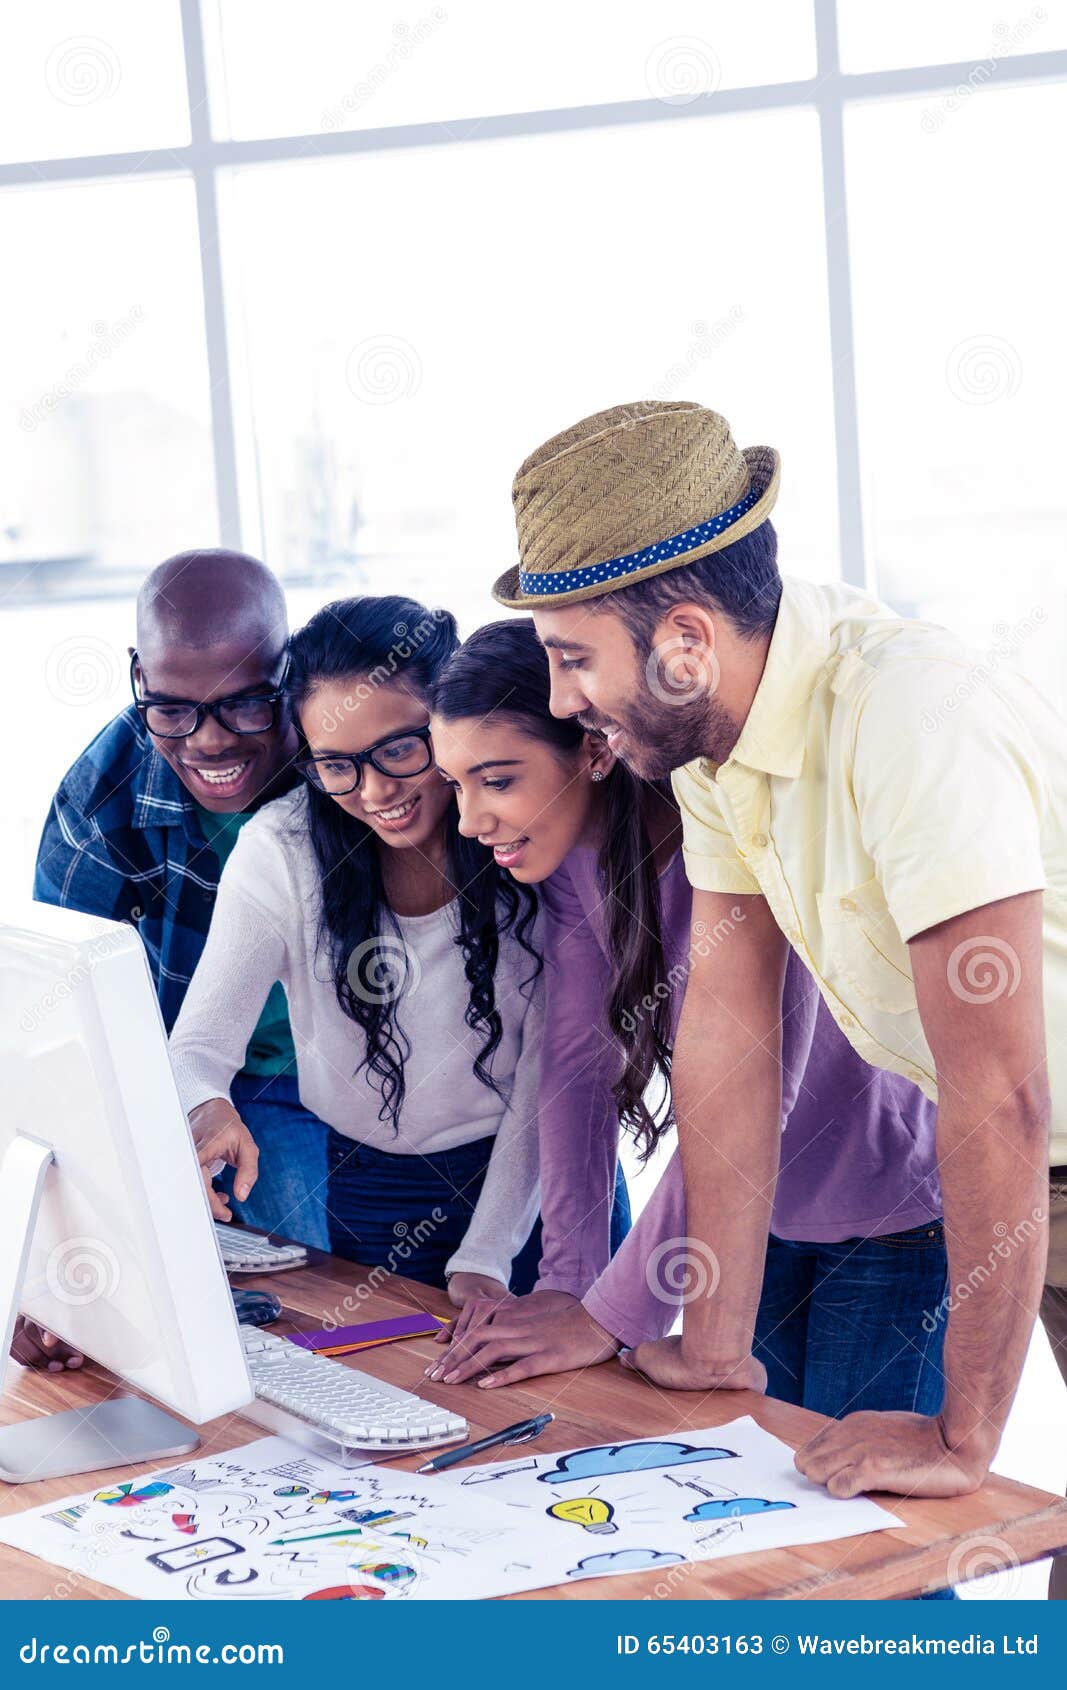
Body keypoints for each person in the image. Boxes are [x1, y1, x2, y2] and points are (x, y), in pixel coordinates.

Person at [488, 398, 1066, 1529]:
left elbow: (998, 1098)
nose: (561, 703)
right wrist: (711, 1341)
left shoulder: (906, 718)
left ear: (685, 641)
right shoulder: (713, 740)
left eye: (571, 660)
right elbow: (726, 1036)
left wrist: (960, 1436)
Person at [426, 619, 949, 1443]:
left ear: (593, 751)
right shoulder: (569, 869)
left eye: (496, 780)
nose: (468, 820)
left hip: (889, 1218)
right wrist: (569, 1282)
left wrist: (611, 1313)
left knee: (877, 1529)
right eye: (455, 785)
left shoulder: (725, 847)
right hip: (757, 1227)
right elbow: (575, 1068)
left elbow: (749, 1100)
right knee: (781, 1491)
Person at [168, 595, 548, 1304]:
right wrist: (207, 1109)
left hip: (537, 1182)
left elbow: (548, 1077)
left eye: (400, 749)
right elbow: (197, 1049)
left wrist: (487, 1255)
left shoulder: (521, 836)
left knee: (590, 1412)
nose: (374, 791)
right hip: (366, 1189)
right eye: (336, 765)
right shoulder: (280, 850)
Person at [31, 548, 330, 1253]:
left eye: (245, 702)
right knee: (293, 1284)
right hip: (228, 1080)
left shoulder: (354, 743)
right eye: (171, 709)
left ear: (289, 673)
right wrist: (48, 1260)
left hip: (381, 1069)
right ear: (139, 675)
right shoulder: (101, 795)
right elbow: (62, 1032)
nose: (211, 739)